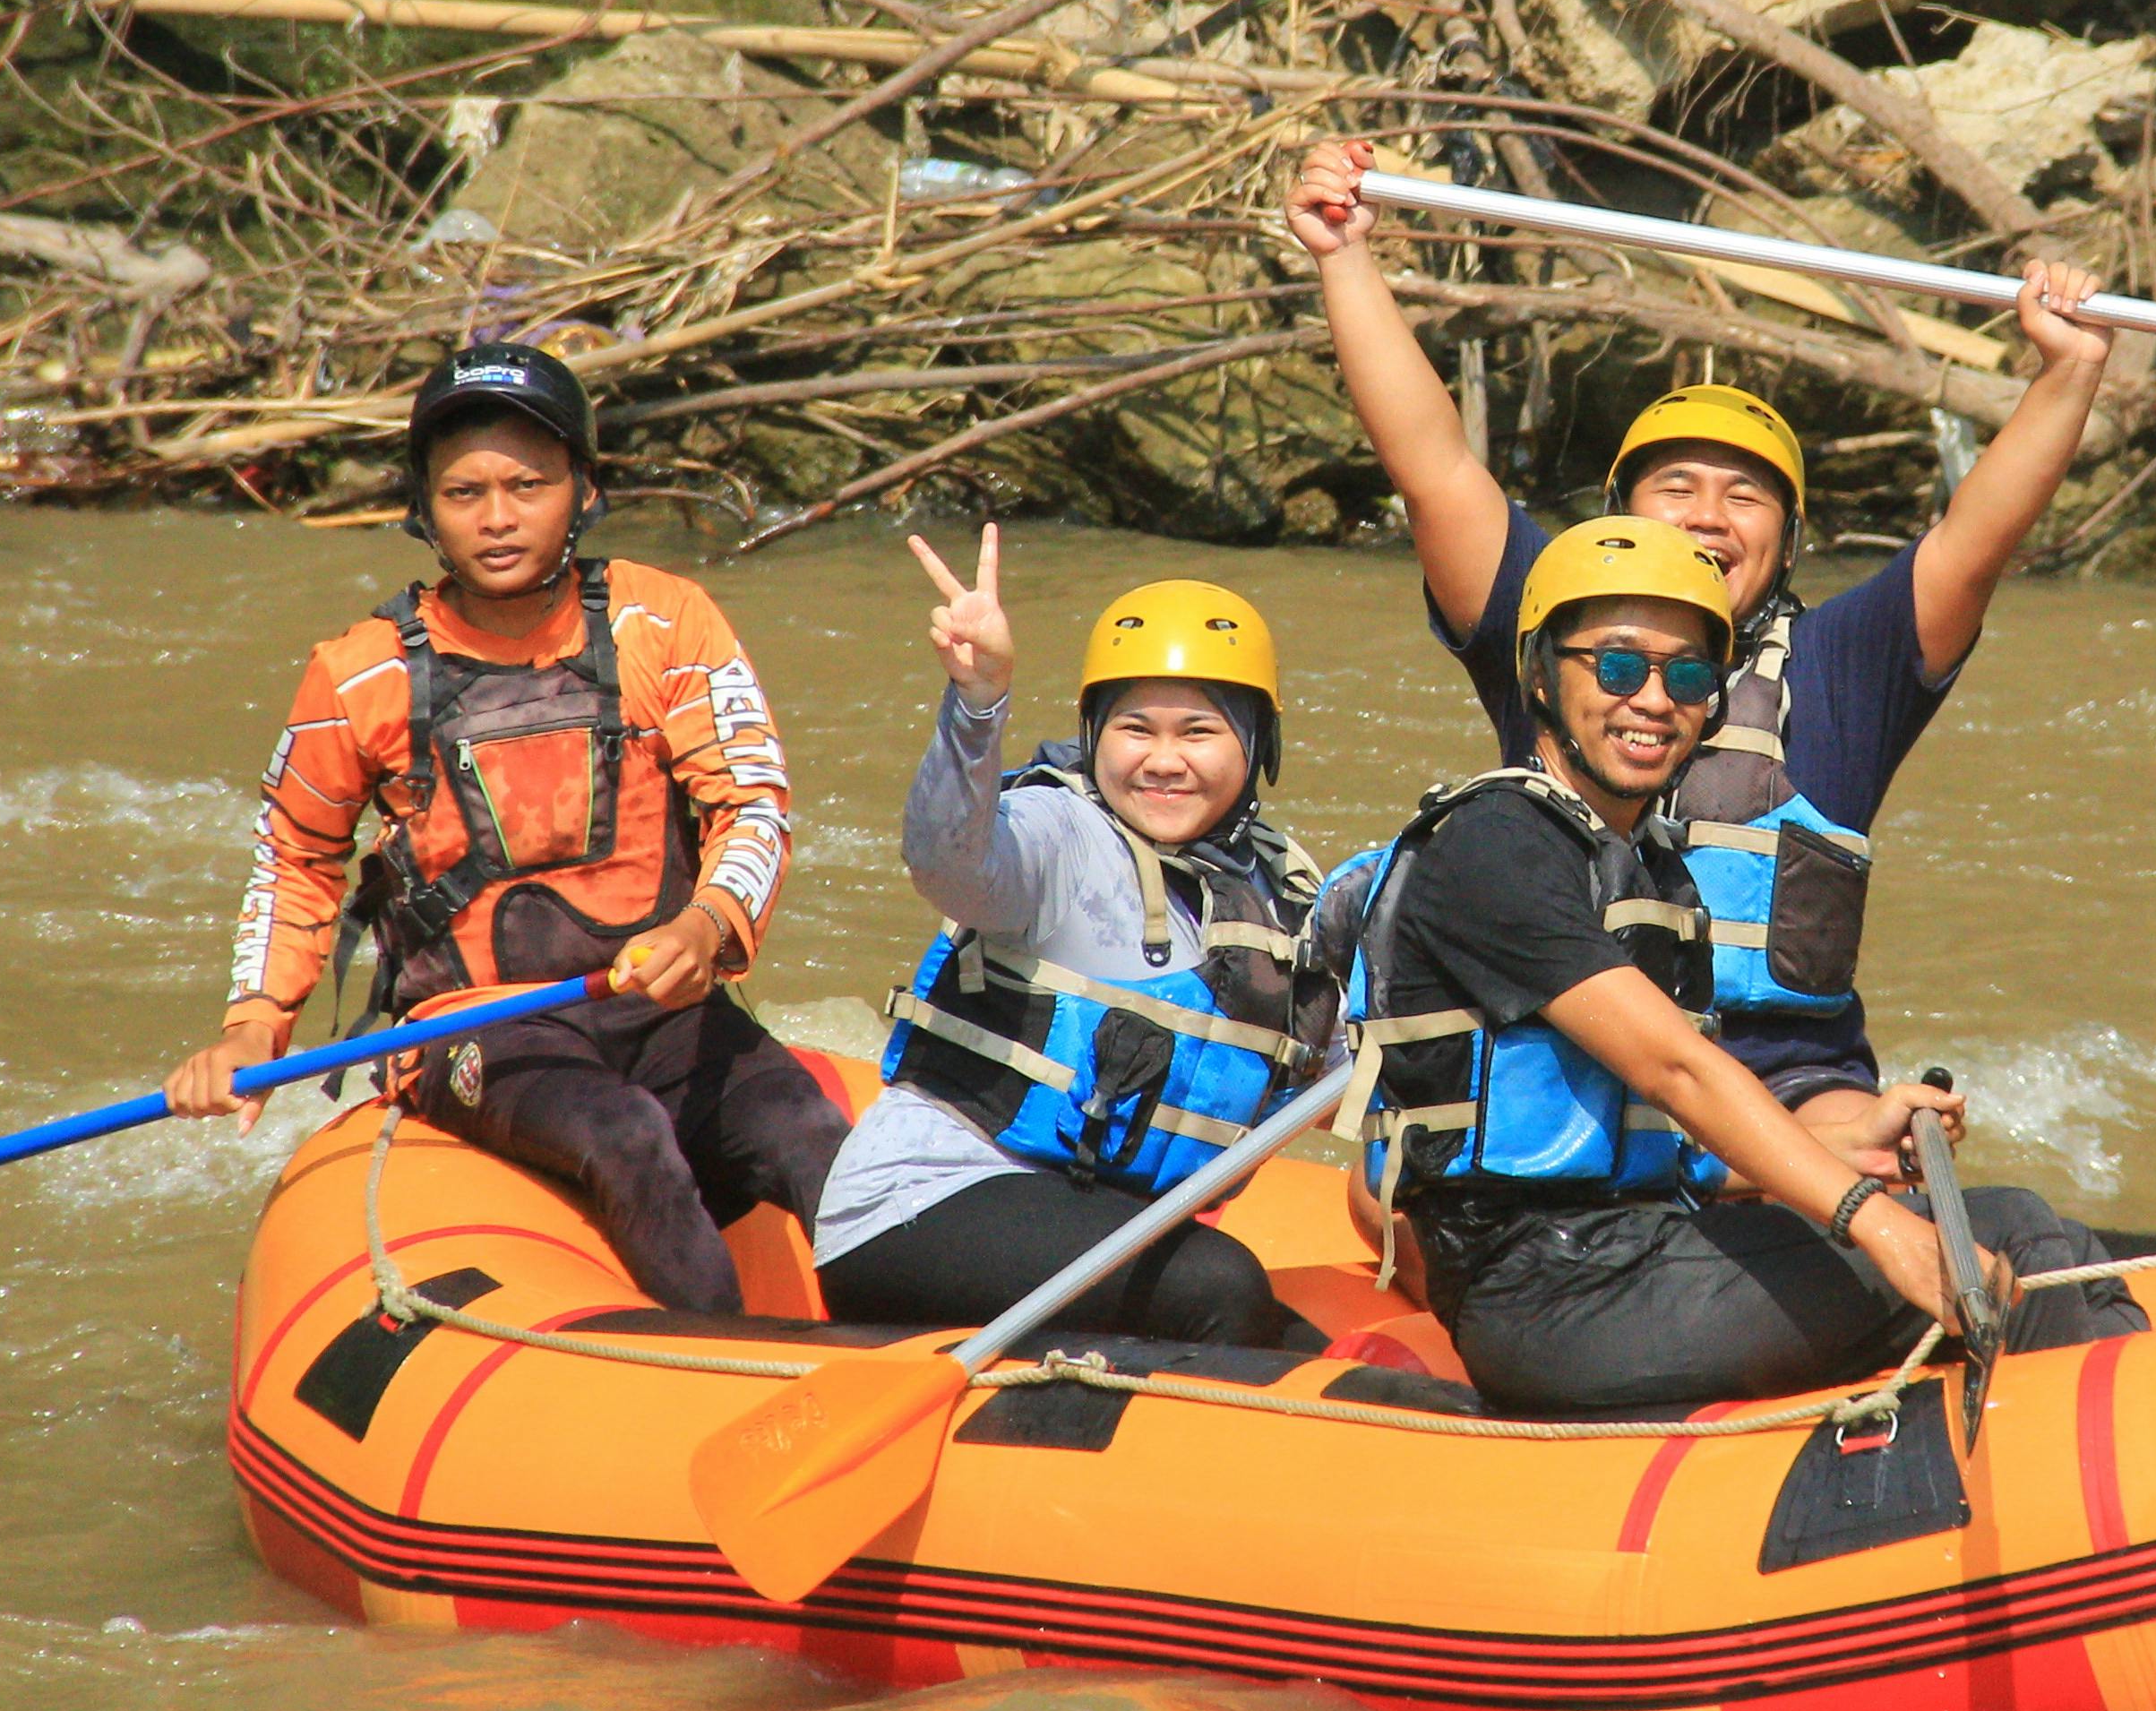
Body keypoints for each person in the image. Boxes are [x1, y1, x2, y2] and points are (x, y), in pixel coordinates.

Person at [1286, 137, 2114, 1182]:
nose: (1709, 519)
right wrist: (1345, 259)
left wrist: (2069, 369)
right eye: (1676, 488)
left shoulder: (1840, 668)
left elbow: (1971, 542)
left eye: (1747, 496)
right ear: (1621, 515)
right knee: (1394, 1196)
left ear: (1788, 539)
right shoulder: (1550, 622)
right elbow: (1433, 464)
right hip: (1575, 1062)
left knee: (1874, 1145)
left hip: (1790, 1084)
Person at [1328, 516, 2145, 1416]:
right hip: (1550, 1299)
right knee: (2014, 1240)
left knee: (2016, 1218)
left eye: (1687, 675)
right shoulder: (1496, 848)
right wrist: (1875, 1225)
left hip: (1638, 1253)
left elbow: (1657, 1145)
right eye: (1616, 665)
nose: (1653, 699)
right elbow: (1674, 1070)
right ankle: (2133, 1495)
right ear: (1537, 674)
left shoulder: (1648, 869)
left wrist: (1847, 1145)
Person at [165, 341, 846, 1316]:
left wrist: (709, 927)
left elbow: (753, 802)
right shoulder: (358, 674)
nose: (496, 518)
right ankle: (725, 1376)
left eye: (528, 485)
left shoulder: (667, 623)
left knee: (810, 1135)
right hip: (476, 1031)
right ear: (424, 510)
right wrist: (249, 1029)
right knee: (624, 1135)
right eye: (463, 492)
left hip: (660, 1005)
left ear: (583, 490)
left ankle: (934, 1355)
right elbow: (296, 863)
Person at [811, 533, 1327, 1349]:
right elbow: (949, 861)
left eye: (1198, 731)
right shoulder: (1057, 836)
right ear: (1093, 734)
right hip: (922, 1209)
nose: (1163, 762)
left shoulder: (1283, 895)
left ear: (1257, 745)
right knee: (1221, 1286)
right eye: (1134, 728)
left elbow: (1346, 1074)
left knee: (1302, 1349)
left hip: (1084, 1223)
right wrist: (978, 703)